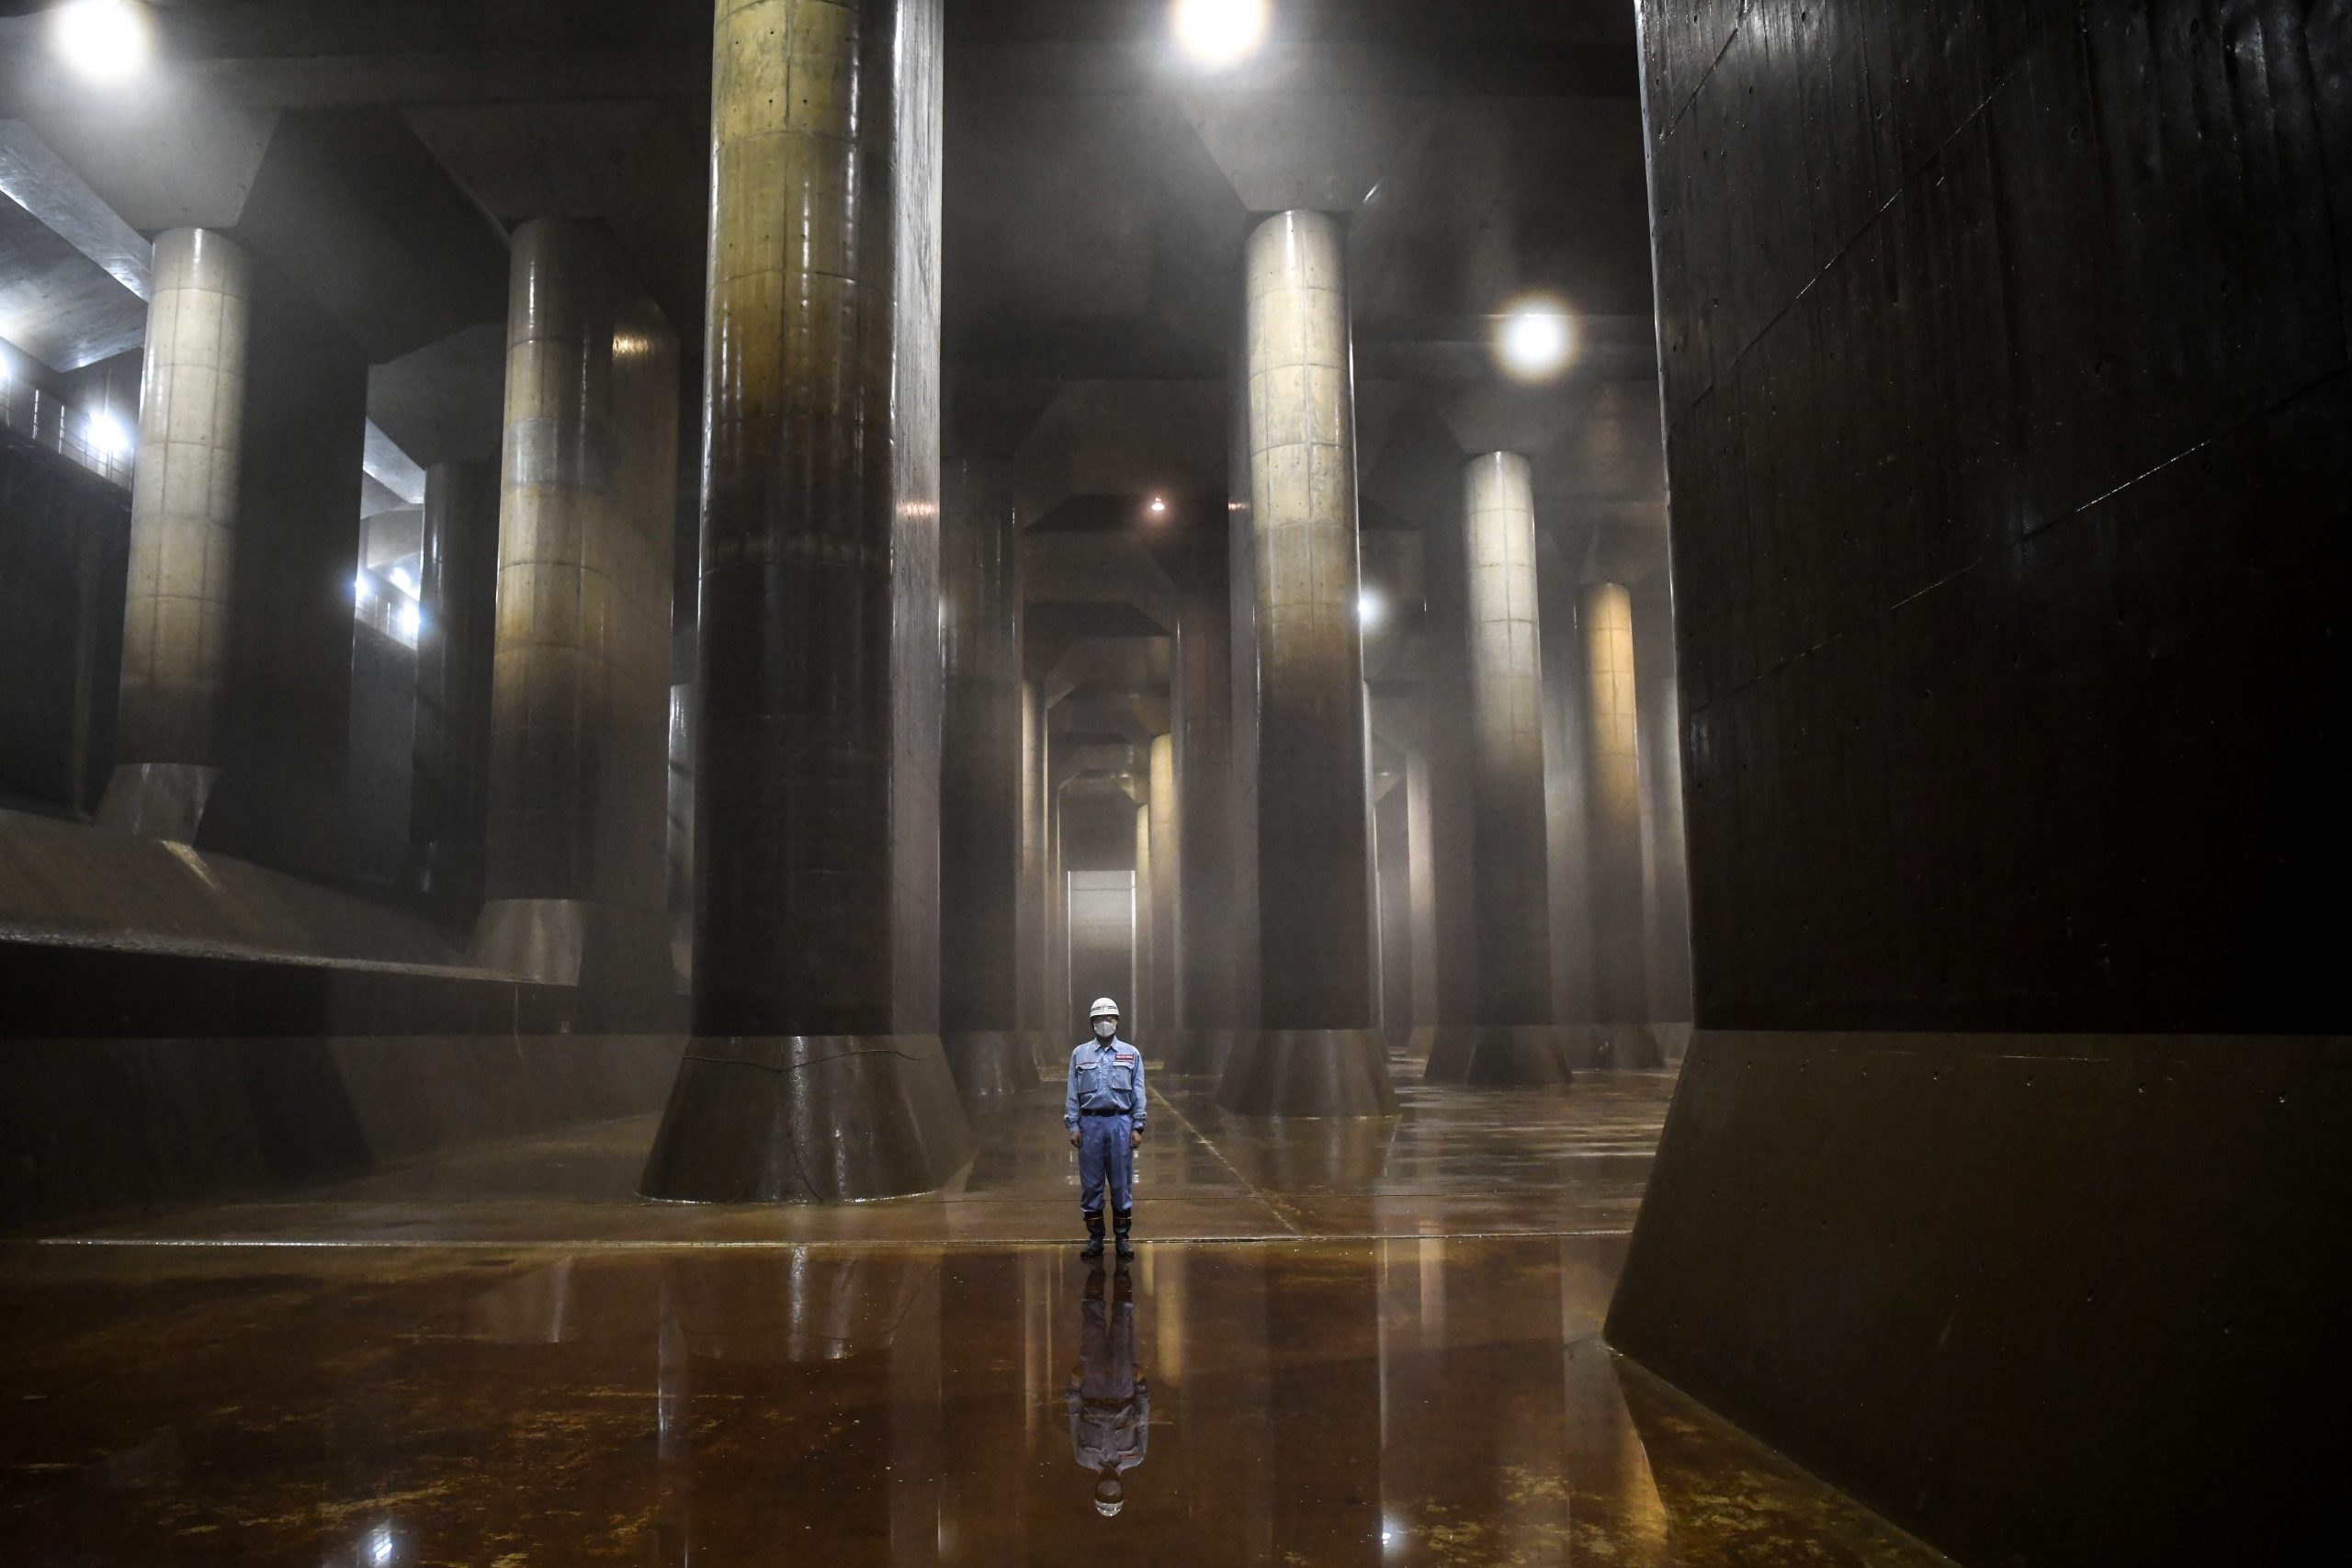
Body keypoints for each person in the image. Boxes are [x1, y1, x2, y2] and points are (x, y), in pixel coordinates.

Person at [1065, 996, 1146, 1260]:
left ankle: (1122, 1238)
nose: (1104, 1023)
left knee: (1121, 1184)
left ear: (1117, 1022)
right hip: (1090, 1125)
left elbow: (1138, 1090)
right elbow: (1073, 1093)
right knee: (1091, 1185)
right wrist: (1074, 1124)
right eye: (1099, 1019)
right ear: (1092, 1023)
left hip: (1120, 1123)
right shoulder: (1080, 1054)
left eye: (1109, 1018)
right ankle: (1095, 1238)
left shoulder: (1131, 1054)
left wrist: (1138, 1125)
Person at [1068, 1262, 1148, 1517]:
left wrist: (1074, 1387)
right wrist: (1141, 1385)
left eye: (1104, 1494)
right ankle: (1123, 1270)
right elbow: (1144, 1420)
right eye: (1113, 1495)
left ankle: (1096, 1270)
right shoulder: (1134, 1457)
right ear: (1121, 1491)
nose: (1109, 1490)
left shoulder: (1084, 1458)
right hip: (1123, 1389)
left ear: (1096, 1490)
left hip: (1092, 1388)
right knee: (1123, 1323)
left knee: (1093, 1324)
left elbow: (1074, 1418)